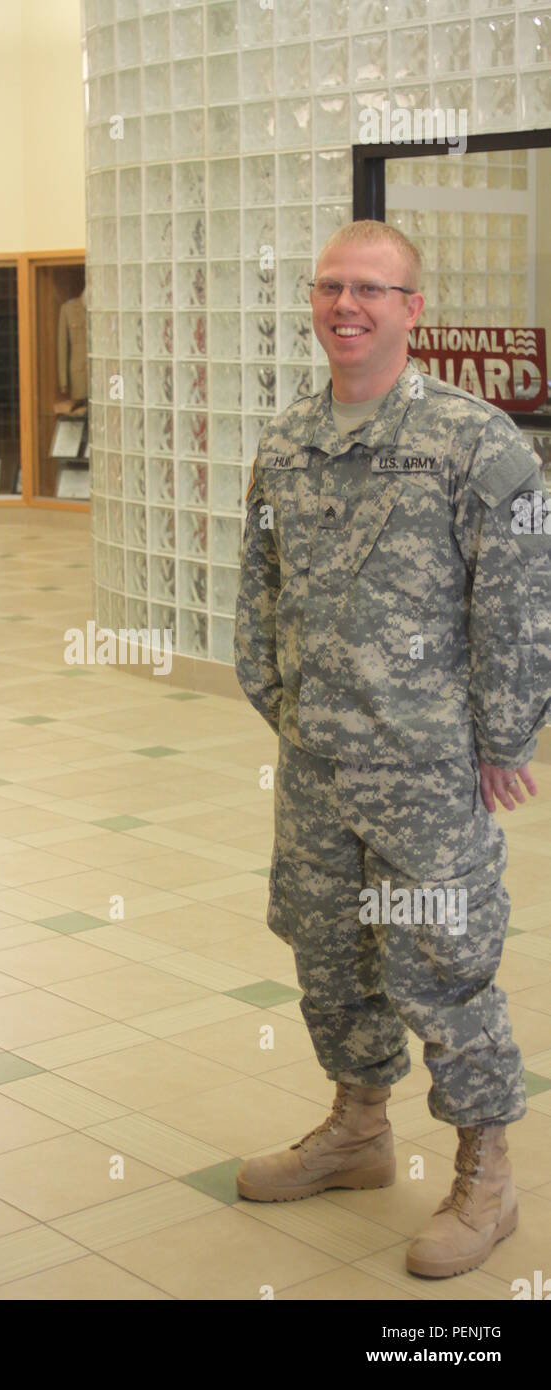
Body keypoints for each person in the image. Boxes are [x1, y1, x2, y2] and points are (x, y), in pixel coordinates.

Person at [234, 219, 551, 1279]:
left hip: (423, 770)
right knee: (327, 958)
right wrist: (278, 699)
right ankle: (358, 1131)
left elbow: (517, 604)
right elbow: (257, 589)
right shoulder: (285, 442)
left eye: (372, 289)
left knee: (441, 970)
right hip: (317, 765)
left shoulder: (477, 444)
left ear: (414, 309)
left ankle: (486, 1173)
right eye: (330, 286)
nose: (345, 306)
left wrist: (504, 734)